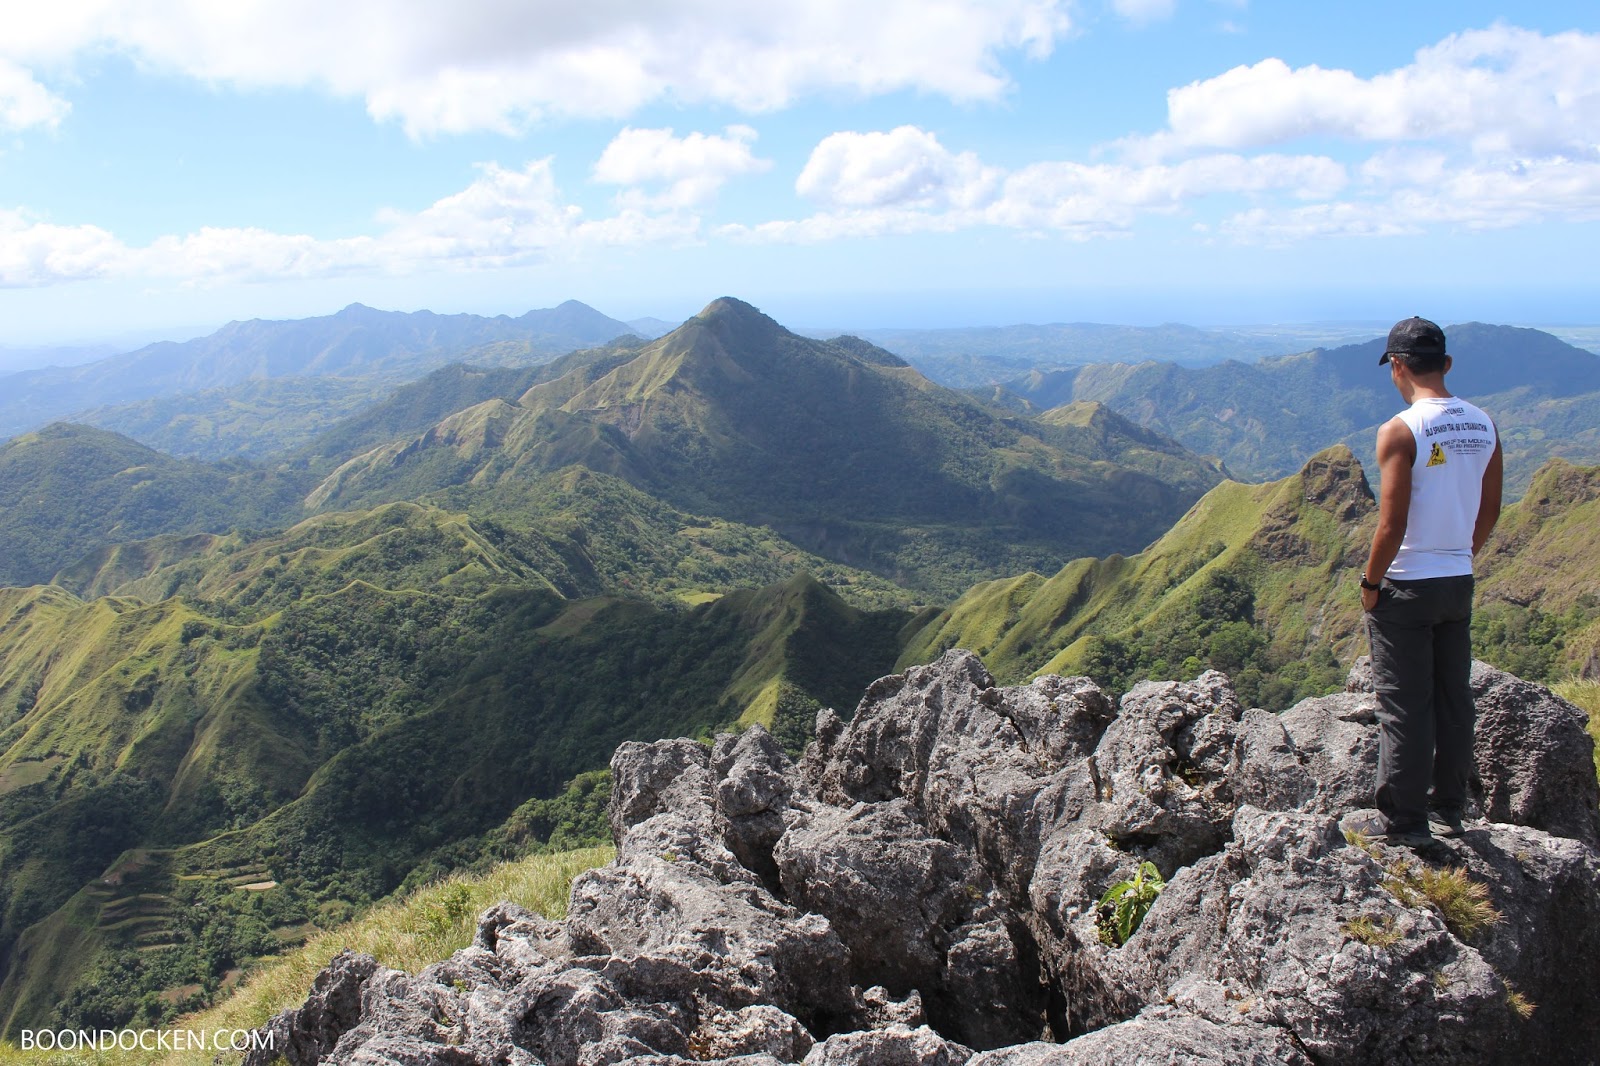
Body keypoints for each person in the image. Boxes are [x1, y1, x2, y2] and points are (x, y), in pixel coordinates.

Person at [1357, 316, 1503, 848]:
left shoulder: (1400, 430)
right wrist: (1460, 555)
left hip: (1407, 588)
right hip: (1456, 580)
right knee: (1452, 698)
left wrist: (1371, 584)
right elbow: (1489, 509)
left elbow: (1390, 524)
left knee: (1404, 705)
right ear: (1445, 364)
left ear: (1397, 366)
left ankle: (1405, 822)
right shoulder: (1484, 424)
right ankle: (1449, 809)